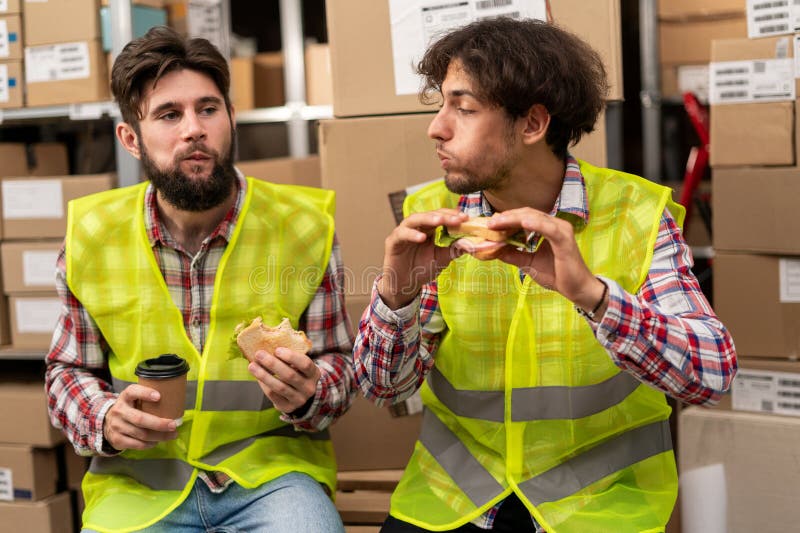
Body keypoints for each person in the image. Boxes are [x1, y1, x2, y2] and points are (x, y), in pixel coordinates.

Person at [353, 17, 737, 533]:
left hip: (598, 505)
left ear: (533, 124)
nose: (436, 127)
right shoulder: (431, 216)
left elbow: (713, 374)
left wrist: (597, 298)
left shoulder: (637, 213)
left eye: (463, 109)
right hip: (455, 500)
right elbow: (382, 389)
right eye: (441, 104)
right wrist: (395, 296)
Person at [45, 26, 355, 533]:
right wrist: (103, 418)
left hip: (269, 477)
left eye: (208, 109)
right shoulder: (92, 236)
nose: (194, 129)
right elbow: (65, 372)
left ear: (231, 118)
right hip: (138, 483)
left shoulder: (303, 227)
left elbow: (339, 365)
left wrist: (312, 391)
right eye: (169, 115)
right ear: (130, 138)